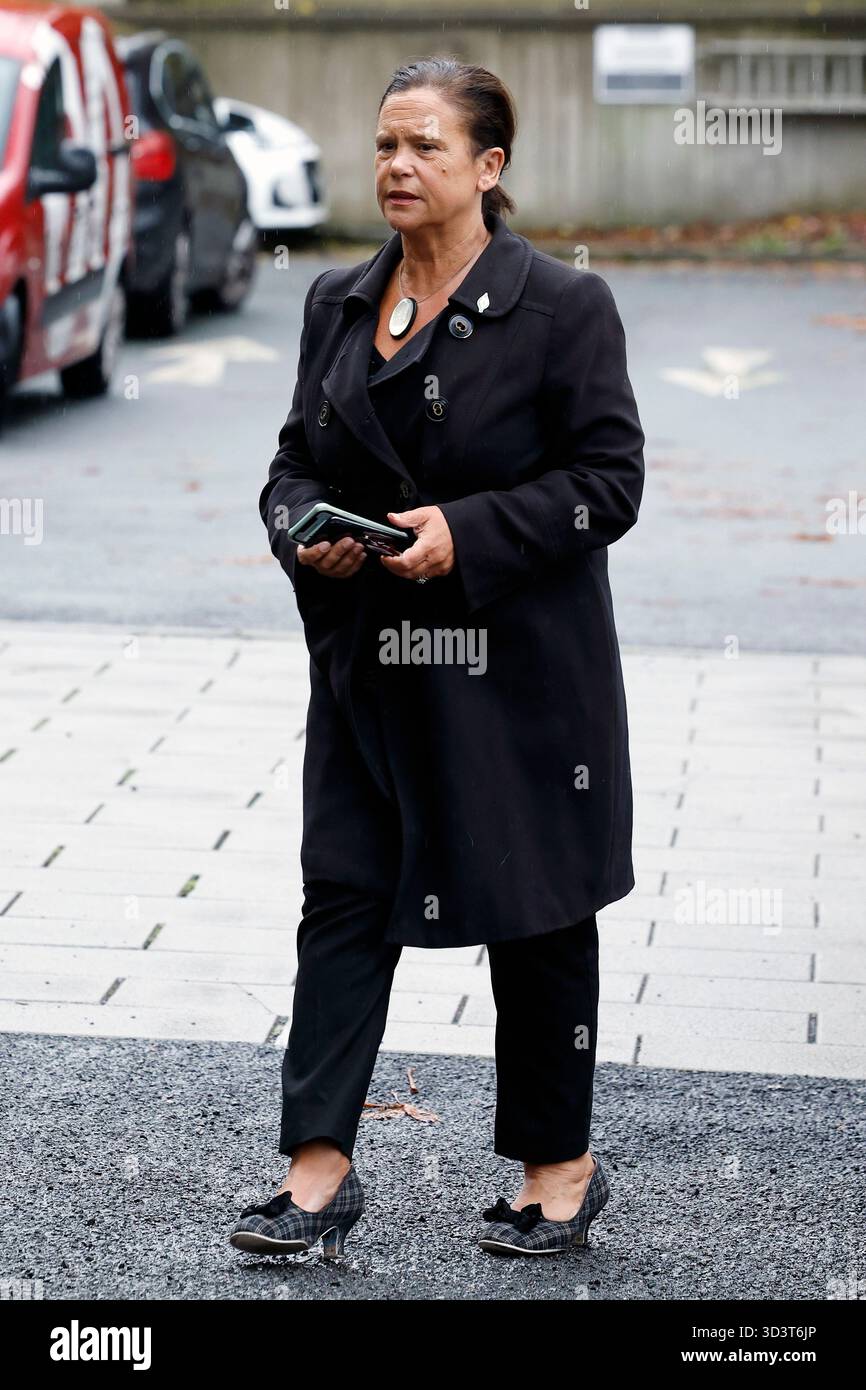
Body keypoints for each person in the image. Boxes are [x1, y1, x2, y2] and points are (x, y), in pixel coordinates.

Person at [230, 56, 645, 1260]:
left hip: (514, 677)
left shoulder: (564, 307)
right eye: (384, 146)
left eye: (423, 147)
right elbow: (291, 467)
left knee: (537, 911)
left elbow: (606, 484)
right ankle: (314, 1175)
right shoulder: (335, 304)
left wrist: (464, 532)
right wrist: (302, 534)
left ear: (488, 168)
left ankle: (556, 1173)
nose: (396, 167)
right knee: (344, 895)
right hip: (372, 667)